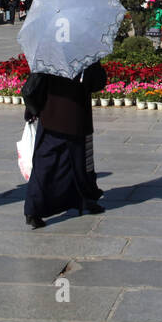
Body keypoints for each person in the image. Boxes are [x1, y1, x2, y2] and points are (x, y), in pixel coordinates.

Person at [20, 56, 108, 229]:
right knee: (79, 163)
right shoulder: (85, 52)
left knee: (46, 164)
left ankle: (34, 209)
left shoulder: (48, 51)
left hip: (51, 115)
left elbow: (35, 84)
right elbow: (98, 83)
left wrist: (32, 108)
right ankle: (85, 199)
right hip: (76, 115)